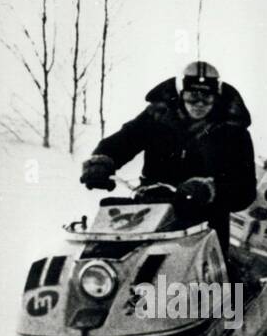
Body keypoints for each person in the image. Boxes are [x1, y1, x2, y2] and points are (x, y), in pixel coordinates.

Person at [79, 60, 256, 266]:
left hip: (205, 220)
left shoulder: (233, 132)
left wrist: (210, 189)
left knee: (188, 277)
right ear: (181, 94)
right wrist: (102, 161)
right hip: (150, 207)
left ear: (216, 97)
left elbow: (245, 189)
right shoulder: (157, 117)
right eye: (192, 96)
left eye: (206, 97)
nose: (199, 104)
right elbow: (125, 139)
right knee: (114, 260)